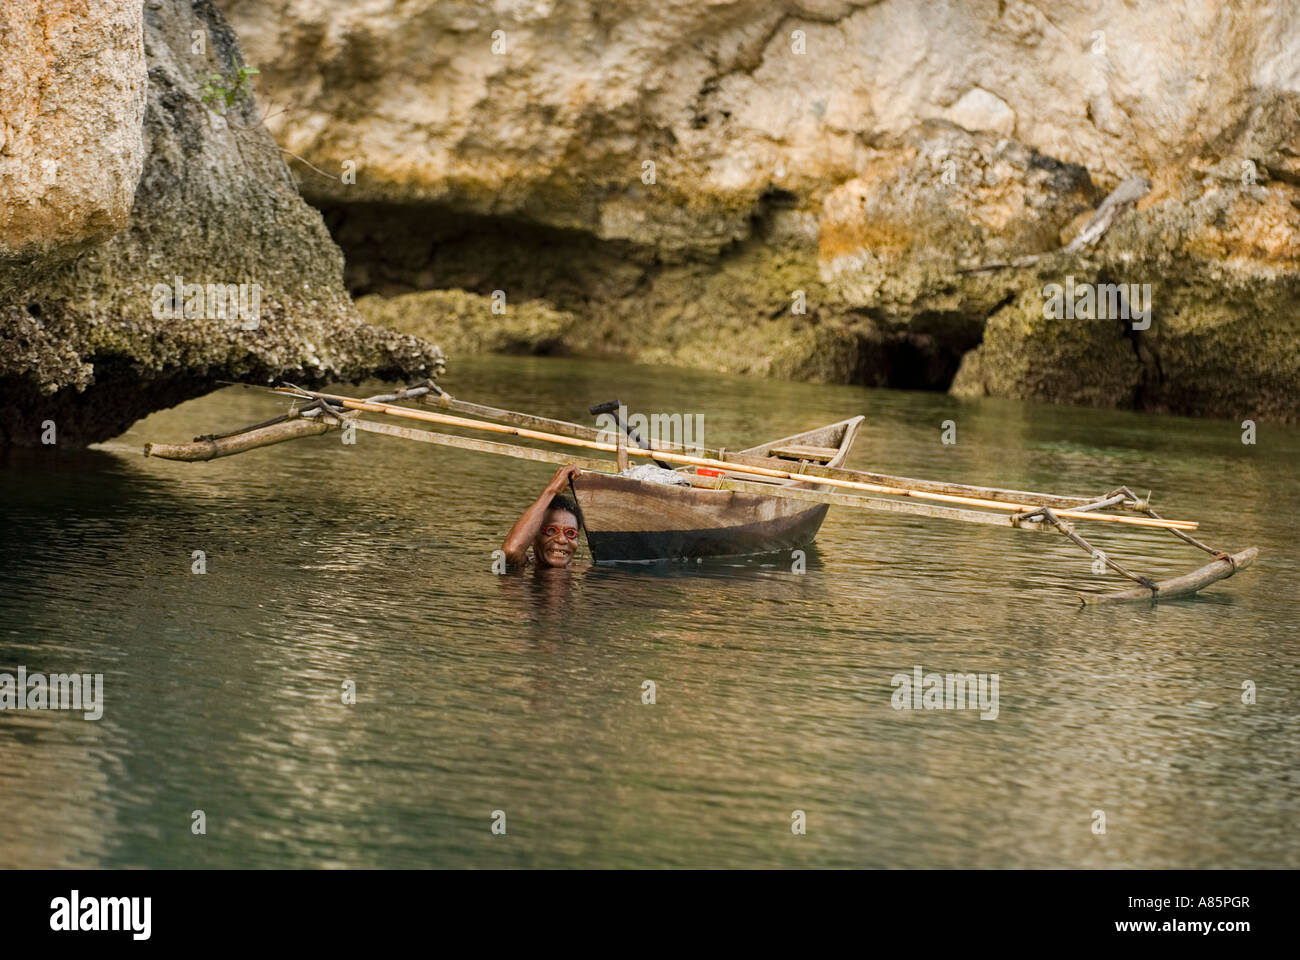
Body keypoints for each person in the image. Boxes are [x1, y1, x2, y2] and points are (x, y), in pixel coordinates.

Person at [501, 465, 583, 568]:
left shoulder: (583, 569)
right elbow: (510, 551)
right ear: (532, 538)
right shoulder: (524, 564)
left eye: (570, 533)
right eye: (551, 531)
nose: (562, 539)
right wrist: (550, 491)